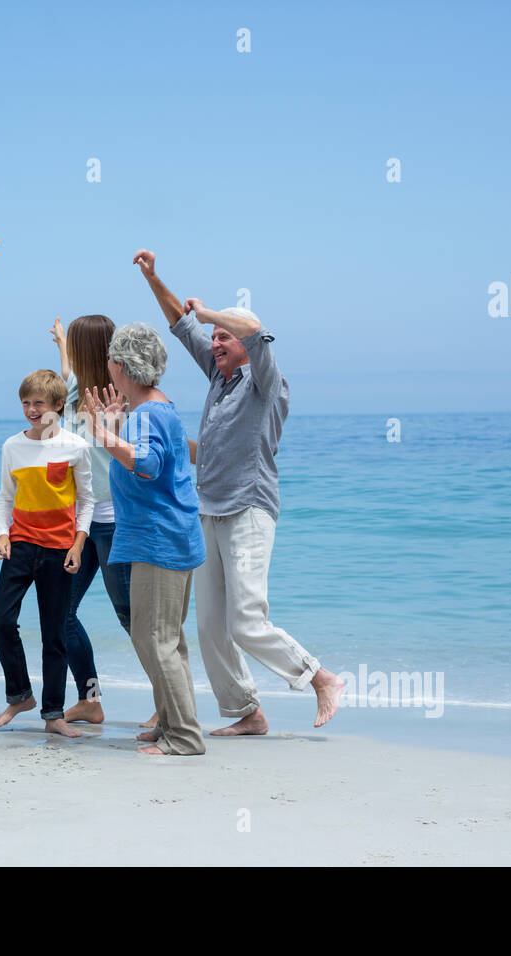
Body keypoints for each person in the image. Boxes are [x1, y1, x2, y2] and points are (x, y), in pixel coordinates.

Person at [132, 248, 344, 733]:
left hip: (249, 509)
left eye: (224, 337)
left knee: (246, 620)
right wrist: (154, 277)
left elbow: (249, 328)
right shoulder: (217, 376)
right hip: (207, 509)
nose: (215, 342)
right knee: (209, 627)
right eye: (214, 337)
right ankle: (247, 712)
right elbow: (179, 323)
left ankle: (320, 677)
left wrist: (209, 312)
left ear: (247, 344)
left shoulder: (267, 383)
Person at [83, 324, 206, 756]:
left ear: (120, 366)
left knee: (155, 639)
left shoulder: (150, 414)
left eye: (112, 363)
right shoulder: (154, 409)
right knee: (164, 638)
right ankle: (172, 723)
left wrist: (104, 435)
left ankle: (185, 737)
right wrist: (117, 429)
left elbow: (150, 464)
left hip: (160, 540)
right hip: (167, 537)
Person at [0, 369, 94, 738]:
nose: (32, 410)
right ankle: (20, 695)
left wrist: (79, 544)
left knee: (55, 635)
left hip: (59, 551)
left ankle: (53, 714)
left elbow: (87, 501)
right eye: (26, 403)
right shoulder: (12, 447)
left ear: (58, 406)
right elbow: (5, 497)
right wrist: (2, 536)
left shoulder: (75, 447)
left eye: (39, 403)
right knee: (1, 621)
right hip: (19, 547)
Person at [49, 315, 132, 724]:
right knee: (62, 612)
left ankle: (168, 700)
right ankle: (91, 699)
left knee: (130, 615)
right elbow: (66, 374)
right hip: (80, 523)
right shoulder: (70, 391)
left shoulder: (124, 395)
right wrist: (62, 344)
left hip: (117, 521)